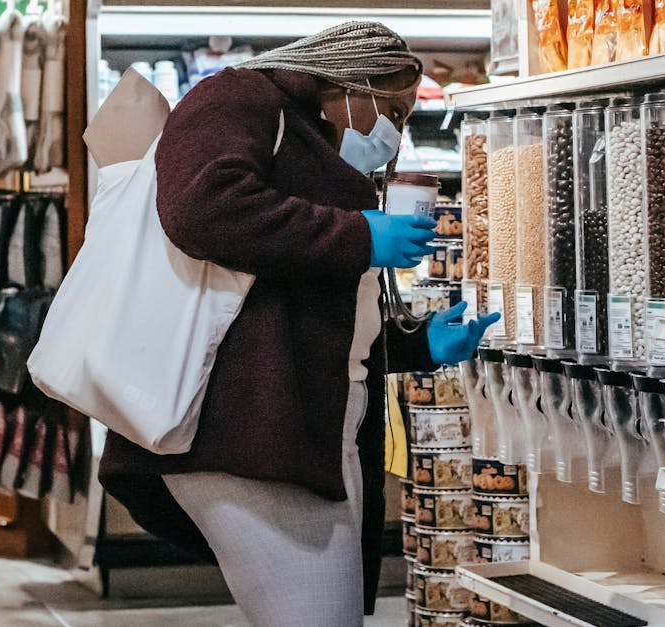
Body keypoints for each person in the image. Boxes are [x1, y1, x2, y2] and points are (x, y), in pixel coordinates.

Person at [97, 22, 499, 626]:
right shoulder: (240, 98)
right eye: (391, 109)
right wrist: (359, 235)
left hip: (305, 427)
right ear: (349, 83)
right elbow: (202, 208)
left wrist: (414, 346)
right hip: (245, 429)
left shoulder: (316, 142)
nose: (394, 132)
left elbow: (292, 303)